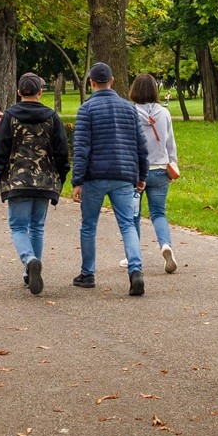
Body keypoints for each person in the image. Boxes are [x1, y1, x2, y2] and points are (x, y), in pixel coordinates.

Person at [71, 62, 149, 295]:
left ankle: (87, 273)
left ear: (91, 83)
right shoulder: (129, 109)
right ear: (112, 81)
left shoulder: (86, 109)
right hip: (124, 175)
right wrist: (141, 175)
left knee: (89, 225)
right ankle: (135, 269)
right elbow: (141, 145)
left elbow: (81, 147)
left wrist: (77, 181)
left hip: (95, 176)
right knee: (127, 224)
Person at [0, 73, 70, 295]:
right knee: (37, 226)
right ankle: (32, 270)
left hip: (17, 179)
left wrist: (0, 176)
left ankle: (29, 261)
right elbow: (62, 150)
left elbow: (1, 149)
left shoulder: (9, 116)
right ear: (40, 92)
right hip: (44, 180)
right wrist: (61, 176)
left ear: (19, 92)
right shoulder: (52, 117)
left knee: (18, 226)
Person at [128, 73, 180, 275]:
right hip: (159, 169)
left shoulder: (130, 113)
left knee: (133, 215)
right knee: (158, 213)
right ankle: (165, 245)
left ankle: (133, 255)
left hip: (136, 172)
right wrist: (172, 164)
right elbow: (170, 143)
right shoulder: (164, 113)